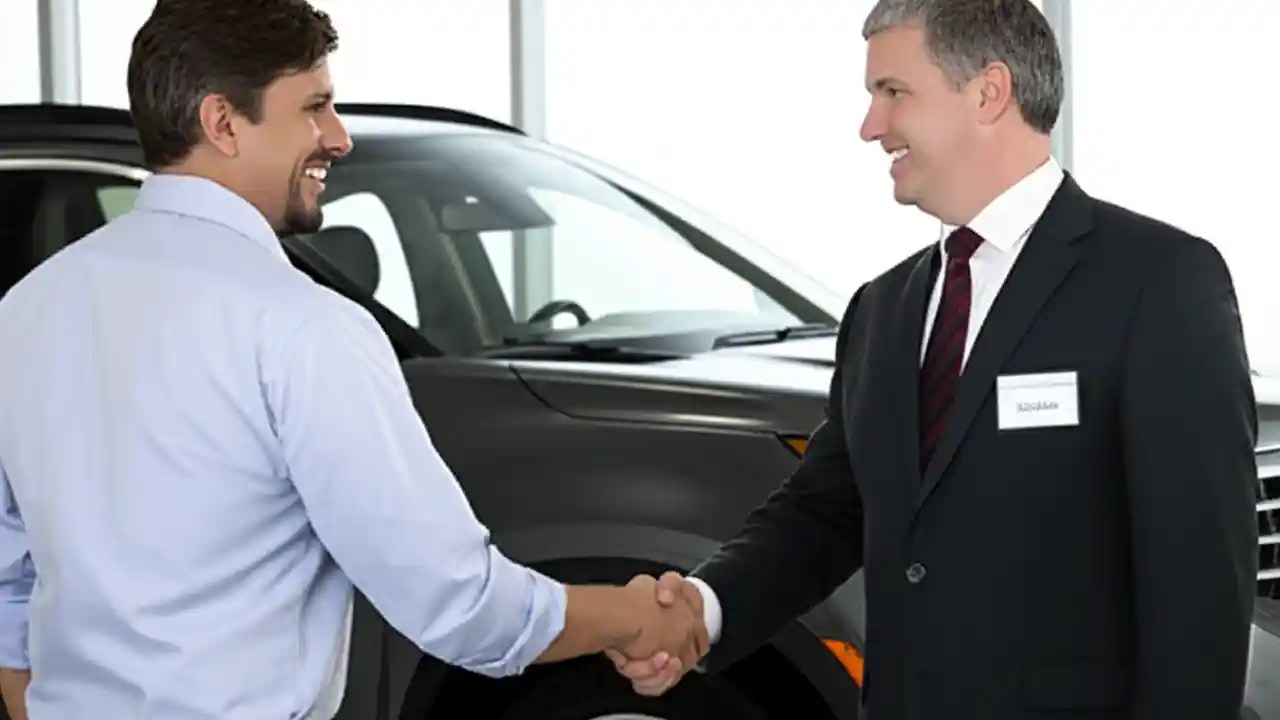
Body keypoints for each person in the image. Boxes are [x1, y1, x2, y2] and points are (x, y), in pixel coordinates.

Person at [0, 2, 705, 718]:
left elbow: (6, 573)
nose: (337, 138)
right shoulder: (301, 327)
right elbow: (456, 604)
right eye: (314, 106)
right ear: (222, 122)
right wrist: (636, 617)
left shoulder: (25, 312)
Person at [610, 0, 1260, 717]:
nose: (870, 126)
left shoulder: (1157, 282)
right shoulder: (882, 310)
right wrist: (702, 608)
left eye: (893, 93)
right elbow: (825, 512)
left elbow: (1200, 586)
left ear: (988, 92)